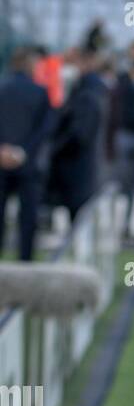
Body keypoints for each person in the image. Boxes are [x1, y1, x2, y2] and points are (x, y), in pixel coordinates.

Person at [0, 47, 55, 260]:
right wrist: (22, 152)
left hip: (3, 160)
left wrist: (3, 150)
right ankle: (25, 262)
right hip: (28, 165)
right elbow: (44, 130)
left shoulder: (3, 88)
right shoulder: (40, 92)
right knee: (28, 219)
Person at [44, 46, 109, 222]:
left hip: (78, 169)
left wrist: (55, 148)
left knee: (79, 221)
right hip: (79, 168)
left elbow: (79, 134)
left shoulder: (87, 94)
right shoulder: (84, 90)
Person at [111, 42, 134, 240]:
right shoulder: (122, 80)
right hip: (125, 134)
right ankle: (116, 224)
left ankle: (128, 224)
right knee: (120, 182)